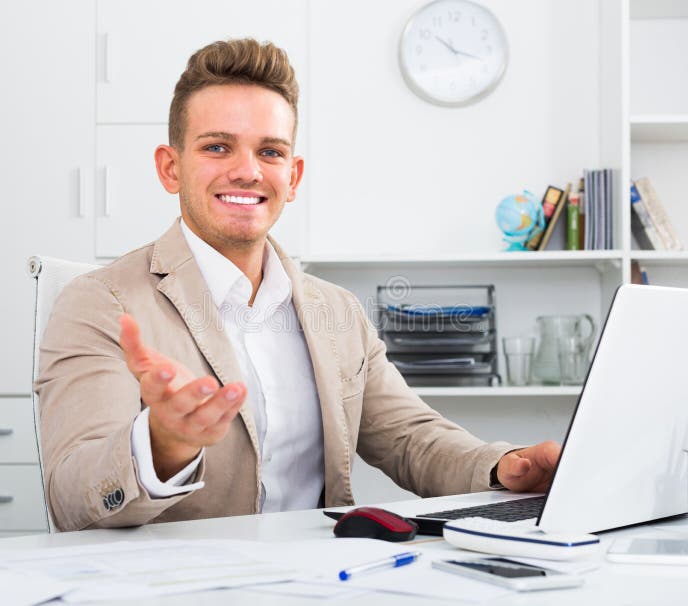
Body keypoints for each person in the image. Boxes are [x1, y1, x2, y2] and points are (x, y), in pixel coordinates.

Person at [36, 38, 560, 532]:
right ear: (170, 168)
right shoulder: (100, 303)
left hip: (320, 576)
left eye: (270, 152)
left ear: (293, 177)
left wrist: (503, 467)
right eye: (217, 147)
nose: (247, 171)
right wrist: (160, 445)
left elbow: (409, 438)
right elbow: (71, 498)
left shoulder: (338, 310)